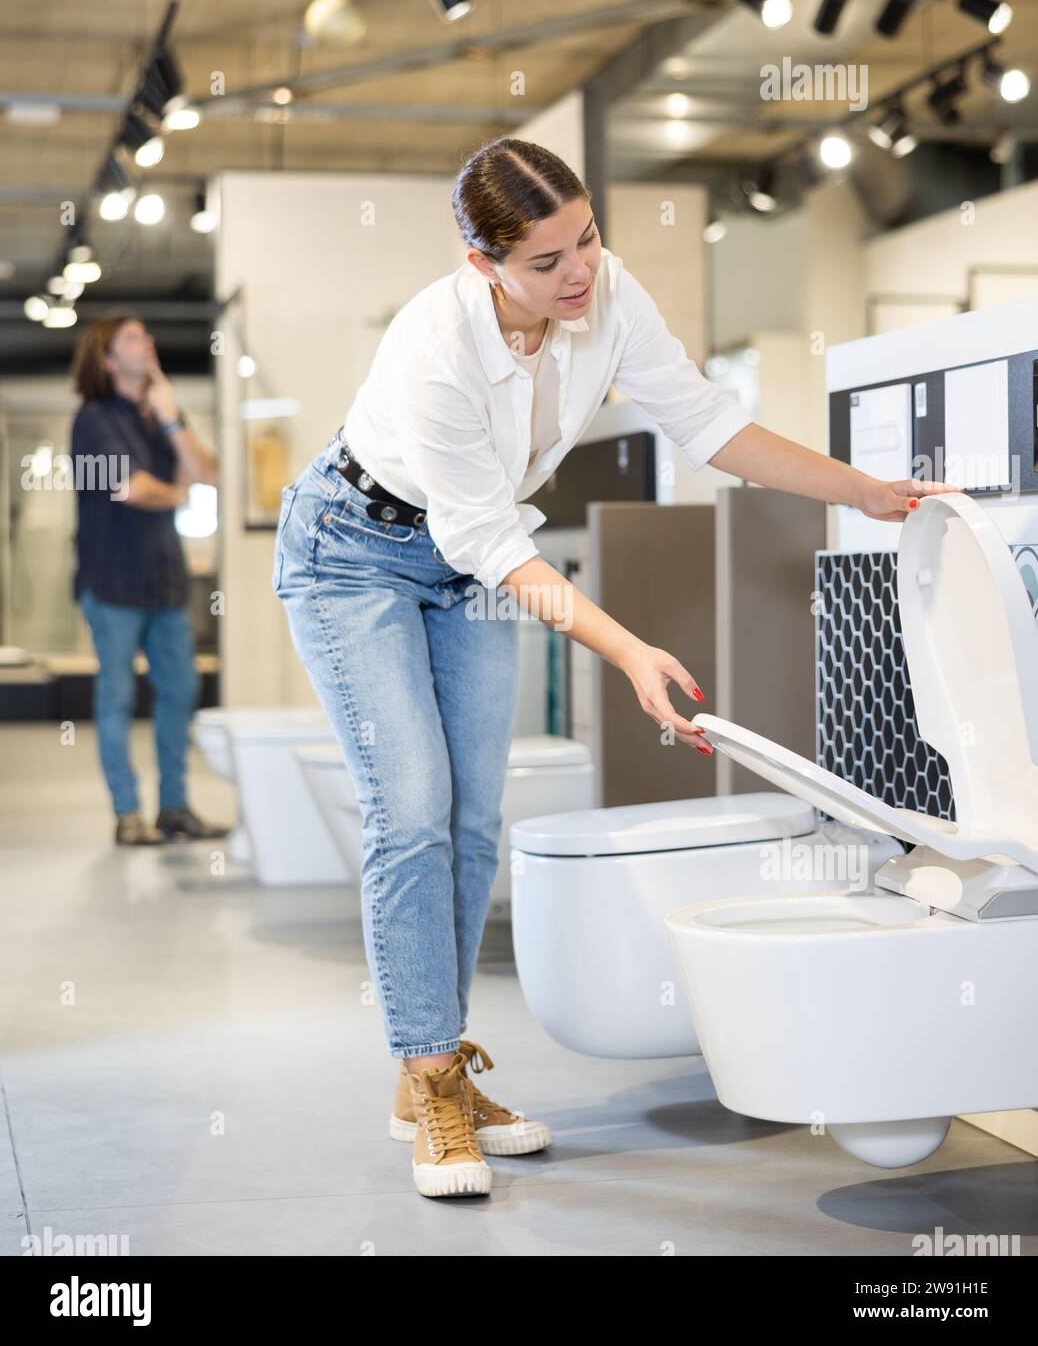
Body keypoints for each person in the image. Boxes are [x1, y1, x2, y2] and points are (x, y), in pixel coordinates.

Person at [272, 137, 962, 1199]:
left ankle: (435, 1065)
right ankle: (429, 1081)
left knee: (468, 819)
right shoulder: (432, 349)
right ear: (482, 262)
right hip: (353, 550)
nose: (579, 272)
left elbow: (708, 423)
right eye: (546, 261)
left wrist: (858, 490)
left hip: (469, 558)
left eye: (587, 238)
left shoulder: (611, 292)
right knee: (408, 806)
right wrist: (631, 651)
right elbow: (495, 547)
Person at [69, 313, 229, 847]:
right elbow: (129, 488)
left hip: (164, 580)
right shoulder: (93, 420)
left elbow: (206, 471)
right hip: (112, 580)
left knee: (180, 690)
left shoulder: (157, 415)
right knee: (115, 695)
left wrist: (170, 420)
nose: (149, 341)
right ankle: (127, 814)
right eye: (133, 338)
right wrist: (177, 493)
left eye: (146, 333)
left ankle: (174, 809)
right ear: (108, 359)